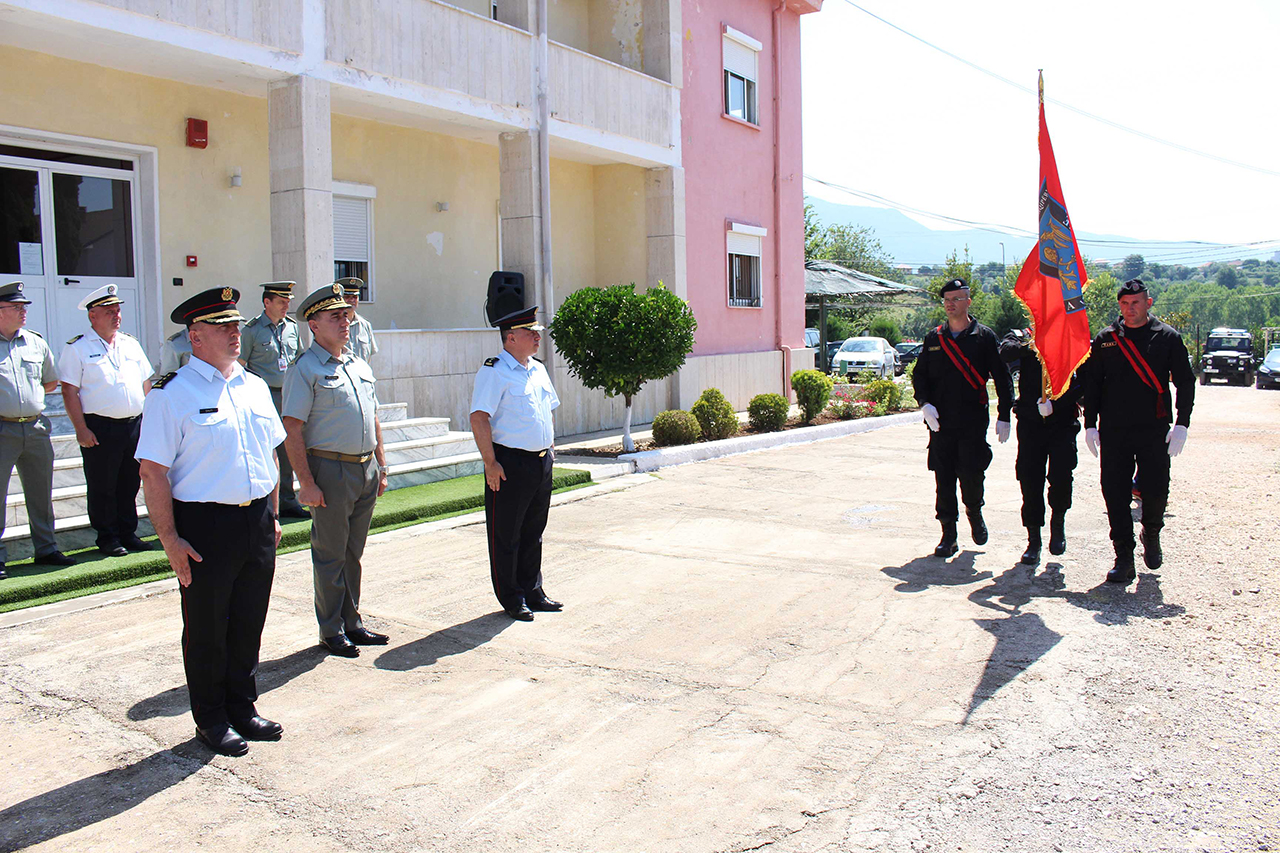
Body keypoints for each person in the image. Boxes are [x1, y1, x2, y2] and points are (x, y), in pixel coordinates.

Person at [137, 287, 286, 757]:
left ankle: (243, 707)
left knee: (248, 620)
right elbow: (153, 472)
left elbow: (270, 454)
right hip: (205, 526)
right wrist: (170, 540)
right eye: (223, 326)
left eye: (236, 325)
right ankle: (211, 719)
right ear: (195, 336)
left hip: (257, 519)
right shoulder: (172, 394)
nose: (235, 333)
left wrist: (274, 515)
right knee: (206, 628)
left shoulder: (255, 386)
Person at [282, 284, 389, 657]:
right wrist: (305, 482)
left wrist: (382, 464)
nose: (346, 322)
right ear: (313, 325)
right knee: (329, 554)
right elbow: (292, 428)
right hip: (329, 470)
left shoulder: (357, 363)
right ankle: (331, 630)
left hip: (364, 467)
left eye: (346, 315)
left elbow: (373, 415)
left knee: (352, 552)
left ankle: (352, 622)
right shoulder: (305, 369)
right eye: (335, 317)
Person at [1082, 279, 1195, 585]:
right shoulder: (1106, 338)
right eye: (1124, 304)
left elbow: (1185, 381)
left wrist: (1182, 423)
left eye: (1136, 303)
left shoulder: (1167, 337)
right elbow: (1092, 383)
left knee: (1156, 489)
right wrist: (1090, 423)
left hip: (1153, 427)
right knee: (1115, 492)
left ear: (1149, 303)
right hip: (1115, 430)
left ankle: (1152, 532)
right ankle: (1123, 557)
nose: (1130, 309)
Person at [469, 304, 563, 621]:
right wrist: (490, 462)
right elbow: (479, 417)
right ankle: (512, 597)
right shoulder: (494, 372)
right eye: (530, 333)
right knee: (506, 535)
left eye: (537, 332)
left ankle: (533, 591)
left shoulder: (537, 369)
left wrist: (550, 446)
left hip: (540, 462)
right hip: (509, 463)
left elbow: (548, 408)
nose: (537, 337)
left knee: (533, 531)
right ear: (511, 338)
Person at [911, 279, 1014, 558]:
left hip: (971, 421)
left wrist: (1005, 414)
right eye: (946, 298)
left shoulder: (984, 337)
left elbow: (1003, 379)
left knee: (971, 474)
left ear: (968, 301)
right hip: (940, 422)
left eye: (956, 298)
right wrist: (925, 404)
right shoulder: (935, 338)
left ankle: (974, 511)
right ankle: (949, 534)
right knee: (943, 478)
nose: (950, 303)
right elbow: (919, 375)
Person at [58, 284, 155, 556]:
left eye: (118, 310)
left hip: (133, 424)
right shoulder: (77, 348)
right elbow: (69, 390)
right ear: (92, 316)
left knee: (129, 483)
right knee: (103, 484)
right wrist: (80, 429)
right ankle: (108, 537)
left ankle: (128, 532)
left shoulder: (130, 343)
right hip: (100, 426)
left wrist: (149, 421)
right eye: (109, 311)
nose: (117, 315)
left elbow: (146, 383)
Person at [0, 281, 75, 579]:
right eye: (16, 307)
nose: (23, 312)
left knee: (41, 492)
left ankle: (46, 549)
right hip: (2, 430)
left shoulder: (35, 342)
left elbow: (50, 382)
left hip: (35, 428)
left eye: (24, 307)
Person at [999, 327, 1083, 565]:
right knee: (1029, 478)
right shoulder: (1022, 335)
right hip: (1030, 422)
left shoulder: (1069, 336)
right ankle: (1033, 538)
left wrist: (1058, 404)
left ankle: (1058, 524)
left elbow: (1083, 380)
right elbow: (1006, 352)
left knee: (1061, 476)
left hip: (1062, 421)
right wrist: (1035, 344)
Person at [239, 281, 307, 518]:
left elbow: (298, 359)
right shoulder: (251, 330)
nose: (286, 306)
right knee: (267, 449)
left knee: (288, 448)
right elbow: (240, 365)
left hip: (289, 394)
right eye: (281, 301)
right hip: (264, 395)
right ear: (266, 302)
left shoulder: (292, 327)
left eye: (288, 301)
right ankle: (269, 501)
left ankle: (288, 499)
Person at [337, 277, 379, 364]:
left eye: (355, 297)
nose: (352, 300)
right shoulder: (332, 325)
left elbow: (369, 356)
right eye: (347, 297)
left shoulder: (365, 325)